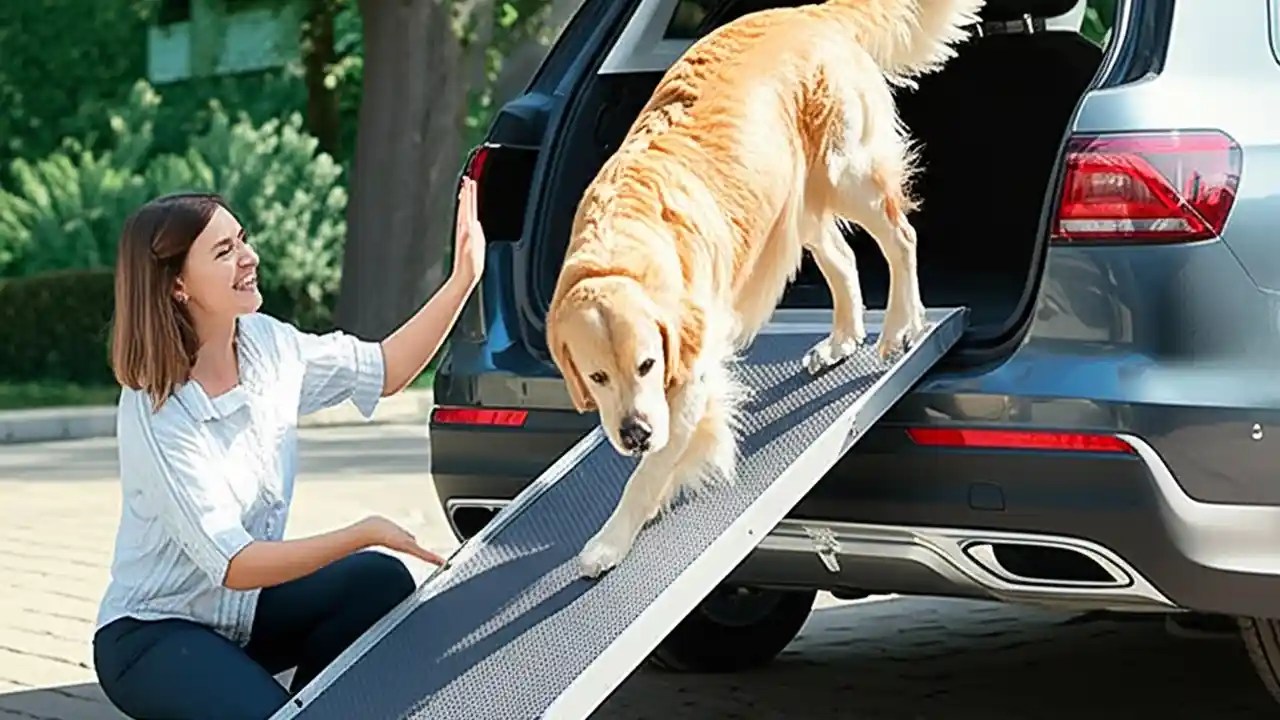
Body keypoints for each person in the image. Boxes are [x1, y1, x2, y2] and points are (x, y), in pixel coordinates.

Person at [90, 178, 486, 720]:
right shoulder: (157, 409)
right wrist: (361, 532)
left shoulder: (267, 344)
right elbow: (235, 563)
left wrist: (464, 277)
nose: (249, 258)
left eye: (242, 239)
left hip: (244, 616)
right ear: (178, 285)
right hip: (154, 634)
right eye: (224, 251)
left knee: (378, 583)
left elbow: (386, 369)